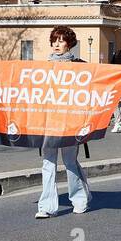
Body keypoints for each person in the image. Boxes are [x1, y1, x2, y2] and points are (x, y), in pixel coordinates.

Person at [36, 27, 91, 218]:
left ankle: (80, 199)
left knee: (69, 162)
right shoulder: (43, 67)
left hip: (71, 121)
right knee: (48, 162)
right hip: (49, 121)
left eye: (61, 40)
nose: (57, 44)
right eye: (54, 40)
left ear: (69, 43)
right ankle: (46, 206)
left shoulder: (81, 66)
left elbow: (101, 80)